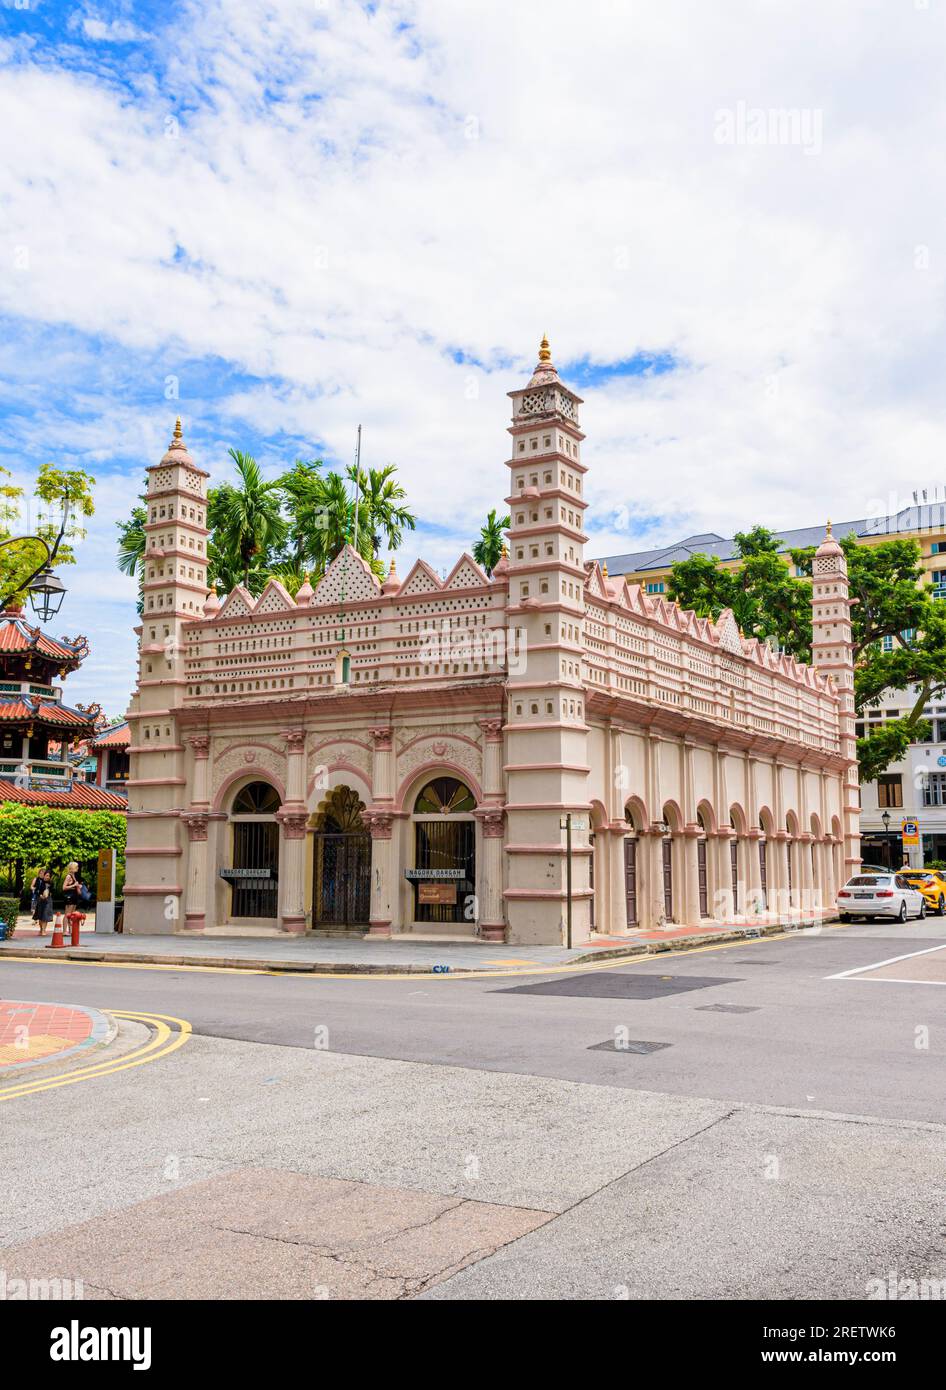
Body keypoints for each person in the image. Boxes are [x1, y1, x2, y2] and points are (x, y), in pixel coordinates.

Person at [32, 870, 54, 936]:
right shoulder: (40, 882)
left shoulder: (51, 883)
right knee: (40, 916)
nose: (48, 877)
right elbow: (35, 891)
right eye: (46, 875)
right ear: (44, 875)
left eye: (49, 876)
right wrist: (40, 895)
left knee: (46, 915)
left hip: (48, 901)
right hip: (40, 900)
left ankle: (44, 930)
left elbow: (53, 891)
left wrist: (49, 893)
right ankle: (41, 929)